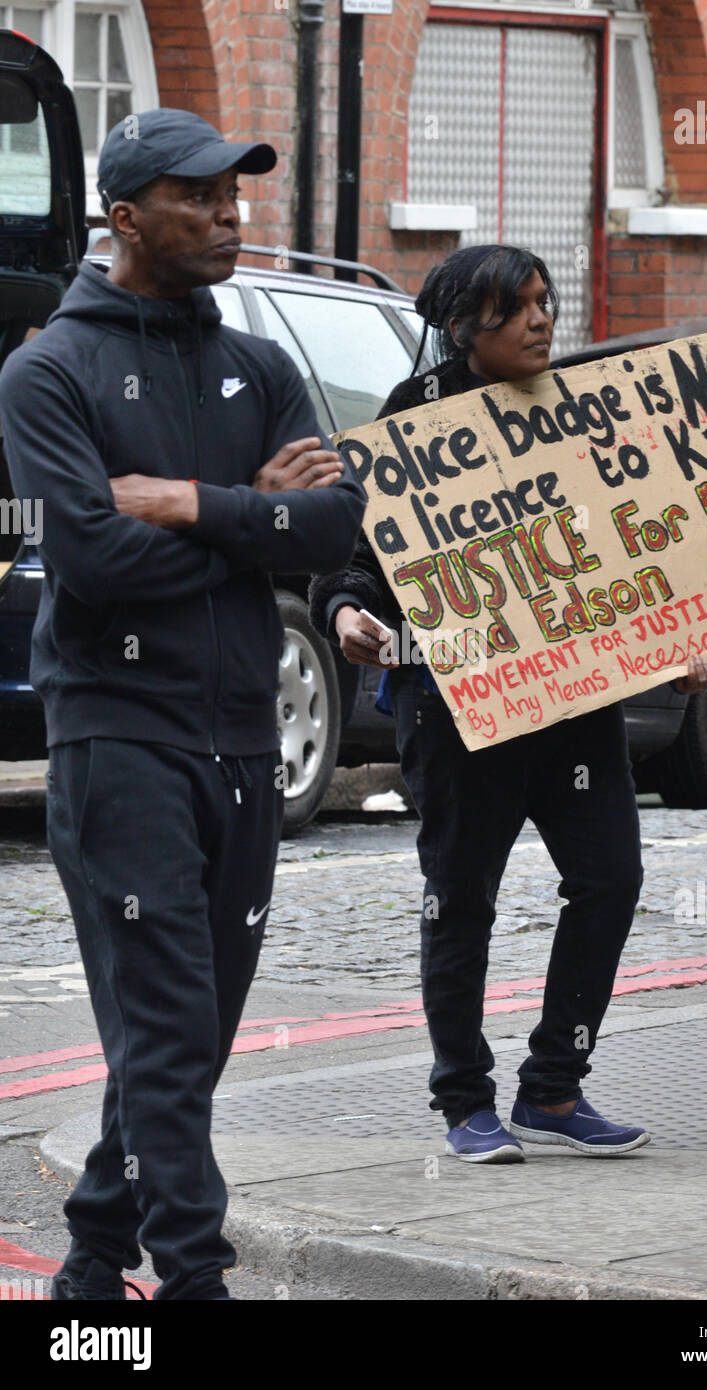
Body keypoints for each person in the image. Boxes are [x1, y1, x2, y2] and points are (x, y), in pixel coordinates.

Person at [0, 109, 365, 1296]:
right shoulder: (49, 369)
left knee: (186, 1035)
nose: (227, 216)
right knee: (165, 1027)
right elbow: (96, 566)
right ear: (125, 216)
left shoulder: (257, 363)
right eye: (198, 197)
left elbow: (331, 520)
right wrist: (249, 511)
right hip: (118, 735)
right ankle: (195, 1277)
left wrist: (200, 505)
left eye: (234, 195)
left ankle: (93, 1266)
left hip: (245, 741)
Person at [310, 244, 707, 1163]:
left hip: (573, 709)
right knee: (461, 899)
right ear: (467, 325)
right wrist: (347, 610)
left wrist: (684, 645)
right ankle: (464, 1101)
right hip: (458, 706)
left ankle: (553, 1087)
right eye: (521, 308)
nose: (544, 321)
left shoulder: (584, 410)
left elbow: (633, 561)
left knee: (610, 880)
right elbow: (355, 565)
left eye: (548, 302)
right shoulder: (414, 419)